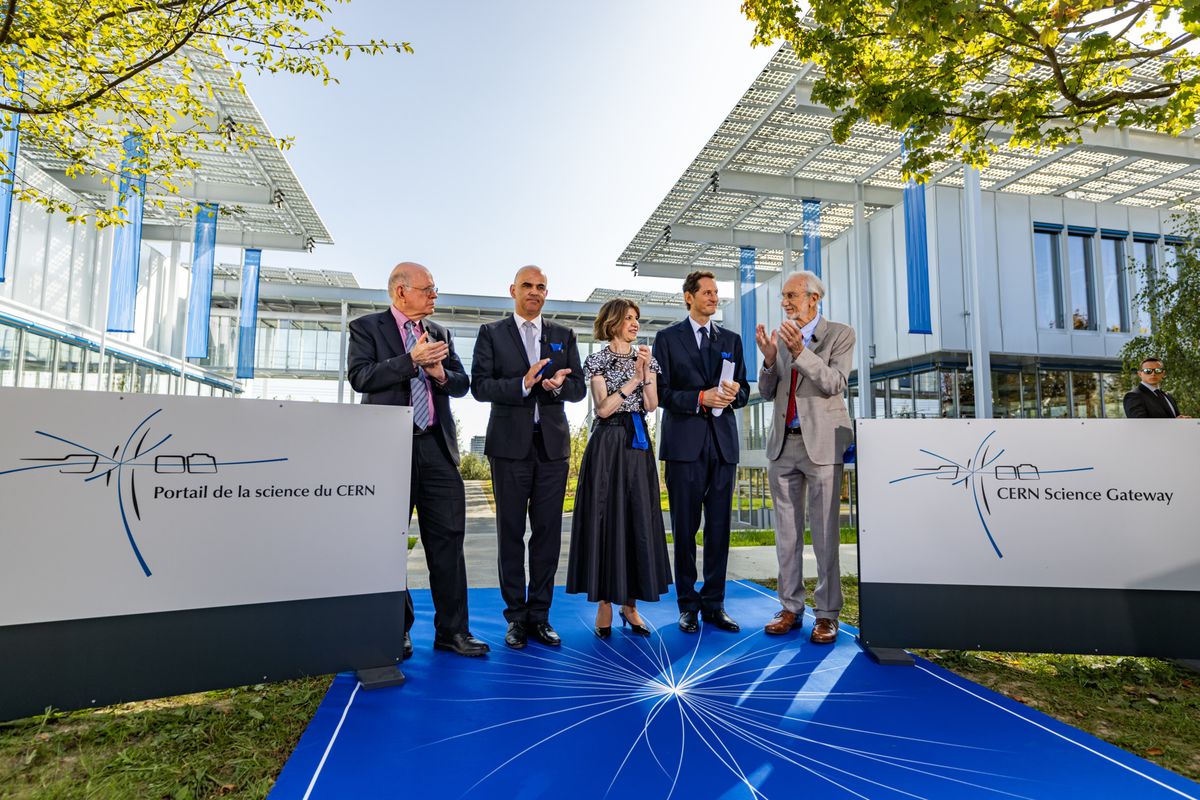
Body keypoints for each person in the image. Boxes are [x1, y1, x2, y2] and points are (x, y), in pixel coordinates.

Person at [347, 261, 489, 658]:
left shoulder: (440, 333)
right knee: (390, 544)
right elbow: (360, 376)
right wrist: (411, 361)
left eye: (434, 289)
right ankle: (397, 630)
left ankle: (453, 631)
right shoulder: (366, 328)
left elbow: (462, 385)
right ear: (400, 292)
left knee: (448, 542)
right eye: (427, 289)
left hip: (437, 448)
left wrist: (440, 372)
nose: (434, 296)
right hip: (388, 449)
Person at [471, 266, 586, 649]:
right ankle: (516, 618)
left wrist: (557, 386)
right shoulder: (491, 334)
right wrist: (523, 384)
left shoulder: (563, 335)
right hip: (509, 449)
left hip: (552, 448)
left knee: (548, 535)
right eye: (527, 286)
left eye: (540, 287)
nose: (534, 292)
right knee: (510, 534)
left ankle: (540, 616)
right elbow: (480, 386)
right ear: (513, 290)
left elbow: (579, 388)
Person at [754, 270, 855, 645]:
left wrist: (799, 352)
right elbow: (768, 392)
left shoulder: (840, 334)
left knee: (825, 534)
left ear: (814, 298)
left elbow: (834, 383)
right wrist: (768, 360)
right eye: (784, 296)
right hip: (783, 445)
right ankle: (790, 608)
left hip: (823, 445)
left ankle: (827, 613)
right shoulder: (781, 339)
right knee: (787, 534)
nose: (785, 302)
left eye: (791, 295)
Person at [566, 299, 671, 637]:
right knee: (607, 519)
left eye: (637, 318)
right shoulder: (597, 359)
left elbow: (652, 406)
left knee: (637, 518)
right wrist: (633, 382)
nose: (635, 324)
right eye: (628, 318)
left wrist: (646, 375)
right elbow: (603, 409)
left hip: (638, 444)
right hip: (608, 445)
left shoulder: (647, 358)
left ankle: (631, 605)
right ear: (612, 322)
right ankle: (605, 604)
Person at [652, 270, 749, 634]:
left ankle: (714, 604)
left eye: (716, 292)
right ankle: (687, 605)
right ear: (688, 297)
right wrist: (699, 398)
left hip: (723, 446)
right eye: (707, 292)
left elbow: (744, 391)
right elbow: (659, 392)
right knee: (685, 529)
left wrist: (731, 394)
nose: (714, 297)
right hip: (683, 447)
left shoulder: (732, 340)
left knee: (720, 529)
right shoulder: (667, 339)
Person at [1123, 357, 1190, 418]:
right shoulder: (1133, 396)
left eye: (1158, 370)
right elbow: (1140, 425)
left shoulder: (1168, 396)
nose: (1153, 374)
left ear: (1163, 373)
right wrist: (1173, 423)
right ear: (1140, 374)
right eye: (1147, 371)